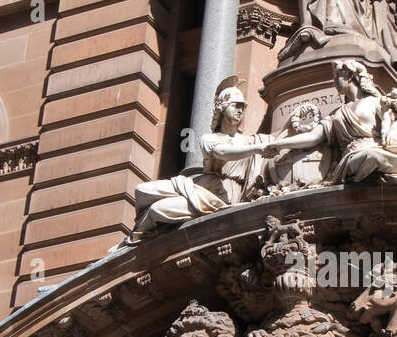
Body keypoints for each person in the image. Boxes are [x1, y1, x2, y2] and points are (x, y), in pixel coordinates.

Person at [118, 78, 279, 244]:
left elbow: (281, 139)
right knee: (142, 189)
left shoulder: (252, 140)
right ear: (222, 108)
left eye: (242, 107)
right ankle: (133, 240)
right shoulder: (209, 139)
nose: (240, 110)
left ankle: (135, 240)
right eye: (236, 105)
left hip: (223, 196)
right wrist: (258, 150)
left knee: (157, 210)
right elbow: (221, 152)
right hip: (203, 186)